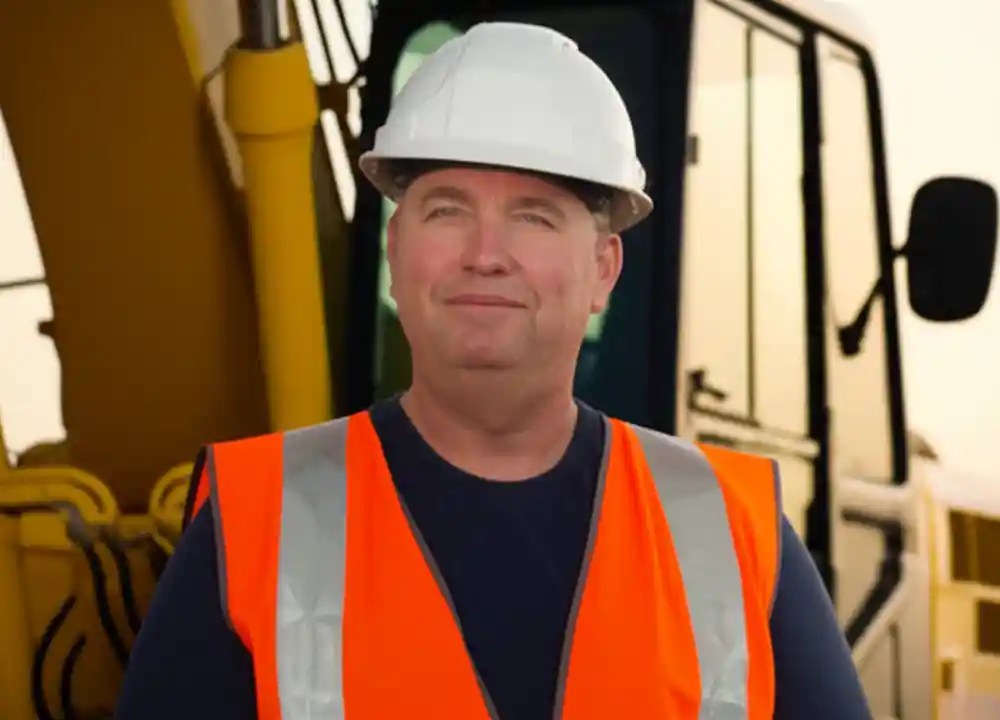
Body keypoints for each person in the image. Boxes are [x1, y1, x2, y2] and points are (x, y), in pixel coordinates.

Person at [116, 21, 872, 719]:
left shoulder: (734, 534)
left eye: (533, 215)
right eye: (446, 209)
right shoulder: (256, 529)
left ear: (604, 268)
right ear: (394, 251)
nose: (485, 252)